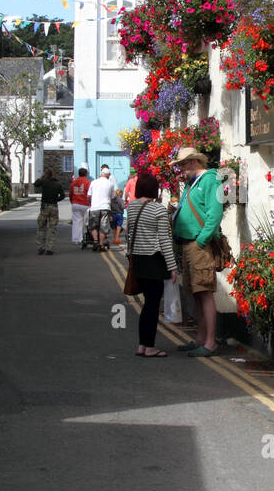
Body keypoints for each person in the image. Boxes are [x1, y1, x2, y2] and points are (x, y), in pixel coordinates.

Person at [171, 146, 225, 357]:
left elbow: (215, 212)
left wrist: (202, 240)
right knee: (195, 294)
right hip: (189, 244)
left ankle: (210, 342)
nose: (181, 170)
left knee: (204, 293)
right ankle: (201, 338)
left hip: (198, 244)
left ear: (193, 162)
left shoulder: (211, 179)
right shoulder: (191, 183)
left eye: (182, 165)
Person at [126, 172, 178, 358]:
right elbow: (165, 241)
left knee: (148, 304)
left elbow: (129, 232)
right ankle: (149, 347)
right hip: (154, 260)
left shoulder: (132, 206)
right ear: (155, 189)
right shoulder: (158, 210)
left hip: (138, 259)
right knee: (152, 305)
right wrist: (172, 267)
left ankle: (142, 344)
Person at [32, 167, 64, 255]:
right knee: (52, 228)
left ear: (45, 174)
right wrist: (56, 200)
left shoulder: (44, 182)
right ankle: (50, 248)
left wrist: (41, 177)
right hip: (54, 206)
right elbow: (62, 196)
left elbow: (36, 184)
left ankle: (40, 247)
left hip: (44, 207)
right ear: (53, 174)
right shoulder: (57, 183)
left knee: (41, 227)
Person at [87, 164, 114, 252]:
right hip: (105, 207)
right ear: (108, 175)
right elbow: (112, 198)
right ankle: (101, 245)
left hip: (94, 207)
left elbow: (88, 196)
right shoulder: (110, 184)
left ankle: (95, 241)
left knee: (93, 226)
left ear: (101, 174)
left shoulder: (93, 182)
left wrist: (91, 203)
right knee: (103, 226)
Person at [69, 167, 91, 247]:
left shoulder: (74, 182)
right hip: (85, 204)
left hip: (75, 203)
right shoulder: (87, 182)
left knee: (76, 222)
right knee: (85, 222)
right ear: (86, 174)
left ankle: (76, 239)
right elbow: (89, 194)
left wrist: (72, 201)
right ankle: (83, 238)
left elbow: (70, 193)